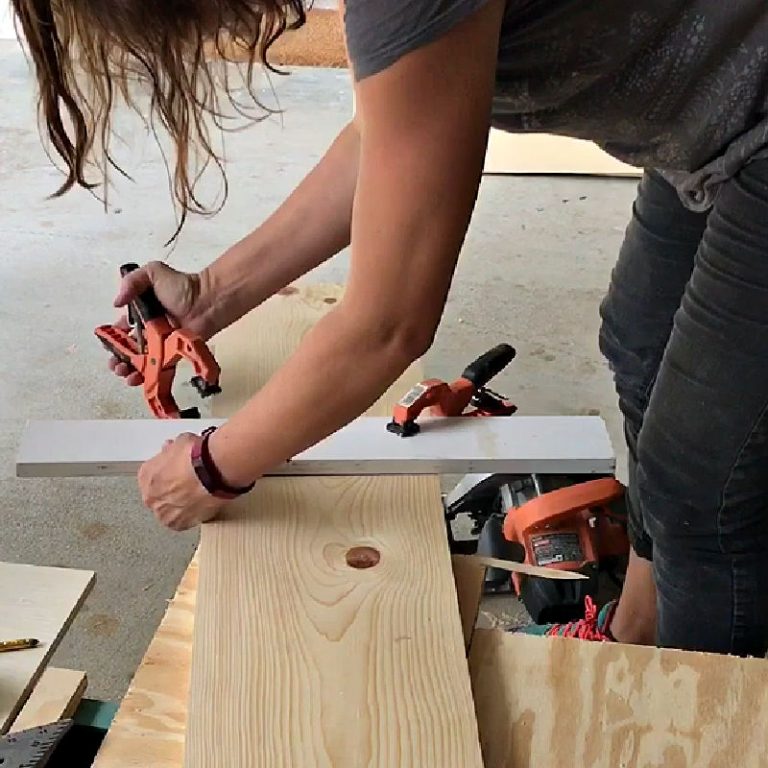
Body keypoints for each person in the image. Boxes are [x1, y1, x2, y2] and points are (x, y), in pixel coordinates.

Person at [12, 0, 768, 657]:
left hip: (752, 128)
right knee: (639, 343)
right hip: (714, 123)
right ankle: (636, 627)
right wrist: (211, 296)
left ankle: (702, 713)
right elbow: (395, 128)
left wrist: (215, 467)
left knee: (705, 486)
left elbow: (387, 326)